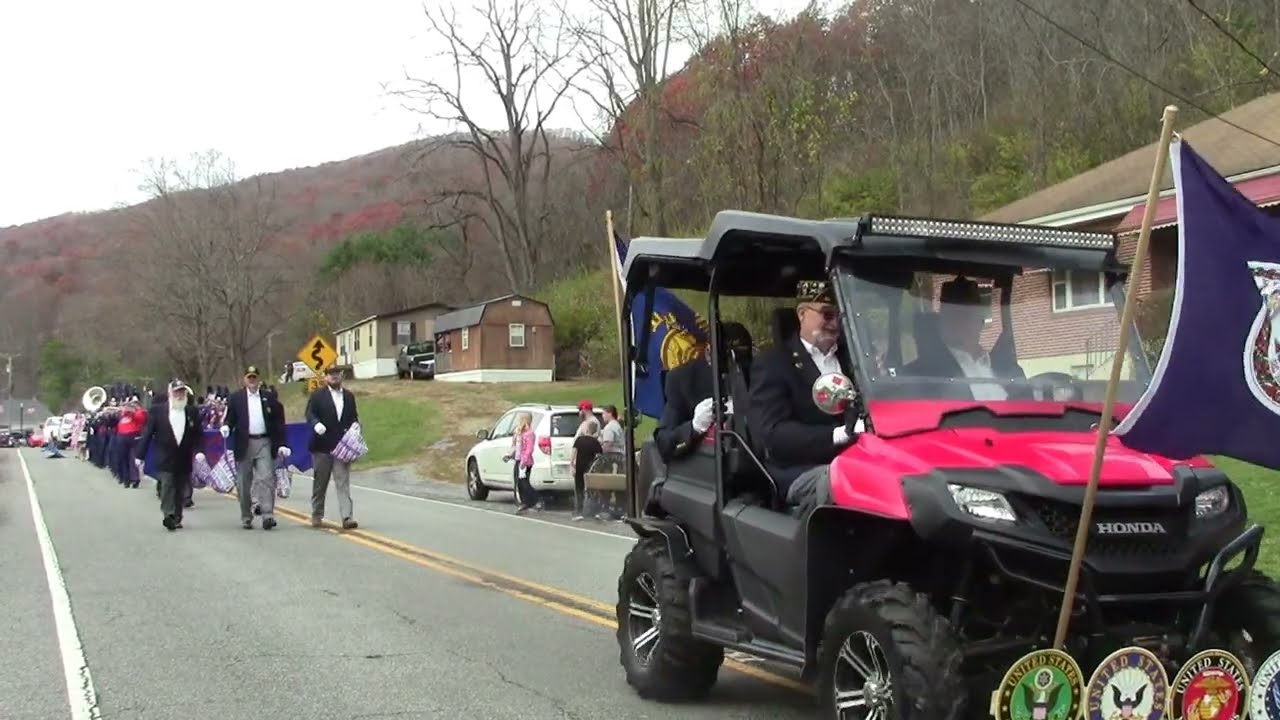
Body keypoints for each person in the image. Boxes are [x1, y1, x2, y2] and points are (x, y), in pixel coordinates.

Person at [749, 280, 861, 515]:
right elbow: (772, 435)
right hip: (799, 469)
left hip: (862, 457)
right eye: (827, 314)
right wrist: (837, 435)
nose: (835, 323)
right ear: (802, 314)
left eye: (841, 315)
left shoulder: (856, 361)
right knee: (848, 480)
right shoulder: (774, 363)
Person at [905, 276, 1025, 399]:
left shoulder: (1008, 368)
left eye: (967, 316)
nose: (959, 324)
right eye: (952, 316)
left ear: (981, 322)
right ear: (940, 323)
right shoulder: (921, 376)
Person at [653, 322, 753, 463]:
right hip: (707, 470)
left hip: (757, 463)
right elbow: (664, 443)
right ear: (709, 350)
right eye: (729, 354)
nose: (737, 362)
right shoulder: (684, 380)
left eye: (742, 352)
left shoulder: (760, 374)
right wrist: (694, 427)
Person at [221, 366, 289, 530]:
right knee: (244, 482)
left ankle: (267, 515)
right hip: (245, 443)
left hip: (264, 441)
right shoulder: (236, 398)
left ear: (258, 379)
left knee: (266, 478)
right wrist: (226, 427)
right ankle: (246, 516)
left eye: (254, 377)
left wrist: (282, 444)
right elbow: (230, 418)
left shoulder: (269, 397)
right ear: (244, 379)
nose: (252, 380)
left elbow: (279, 422)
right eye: (249, 377)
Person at [135, 380, 201, 531]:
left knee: (180, 488)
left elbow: (198, 434)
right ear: (170, 393)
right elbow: (147, 434)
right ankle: (168, 514)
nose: (180, 395)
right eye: (177, 392)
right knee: (167, 484)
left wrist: (200, 451)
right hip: (165, 455)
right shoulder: (157, 411)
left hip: (183, 456)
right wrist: (140, 455)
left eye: (182, 392)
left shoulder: (192, 411)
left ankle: (177, 517)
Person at [306, 365, 359, 529]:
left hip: (342, 446)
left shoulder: (349, 396)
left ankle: (347, 516)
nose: (334, 377)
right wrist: (316, 424)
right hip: (322, 446)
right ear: (326, 377)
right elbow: (310, 413)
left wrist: (356, 427)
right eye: (331, 374)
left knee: (342, 481)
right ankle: (316, 514)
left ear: (341, 376)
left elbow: (353, 417)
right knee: (320, 483)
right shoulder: (318, 395)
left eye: (337, 374)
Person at [505, 411, 539, 513]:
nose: (519, 421)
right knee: (518, 482)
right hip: (518, 459)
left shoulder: (530, 434)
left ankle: (535, 500)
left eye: (521, 419)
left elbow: (529, 449)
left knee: (524, 482)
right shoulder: (518, 432)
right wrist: (509, 455)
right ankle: (525, 502)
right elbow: (514, 446)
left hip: (525, 462)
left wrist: (523, 462)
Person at [570, 418, 603, 521]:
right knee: (591, 490)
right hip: (590, 469)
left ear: (587, 430)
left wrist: (572, 465)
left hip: (579, 467)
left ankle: (578, 509)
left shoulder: (579, 440)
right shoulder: (596, 443)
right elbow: (599, 457)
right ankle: (591, 510)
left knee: (579, 488)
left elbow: (573, 453)